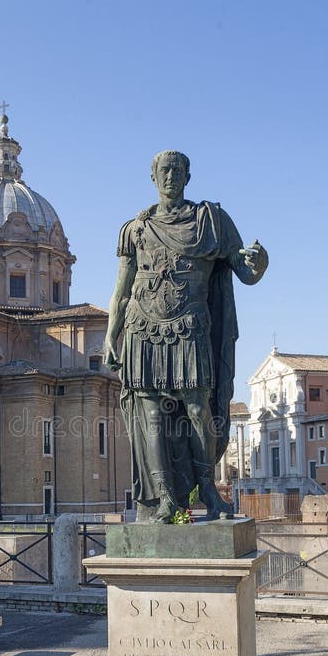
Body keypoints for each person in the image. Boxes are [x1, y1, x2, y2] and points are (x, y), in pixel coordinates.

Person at [104, 150, 268, 523]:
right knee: (151, 415)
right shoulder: (135, 229)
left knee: (198, 408)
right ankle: (165, 497)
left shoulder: (211, 222)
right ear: (153, 176)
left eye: (178, 170)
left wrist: (260, 263)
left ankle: (207, 487)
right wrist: (111, 336)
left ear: (188, 177)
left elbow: (245, 271)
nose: (171, 176)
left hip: (191, 326)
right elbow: (121, 291)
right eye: (164, 170)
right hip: (142, 329)